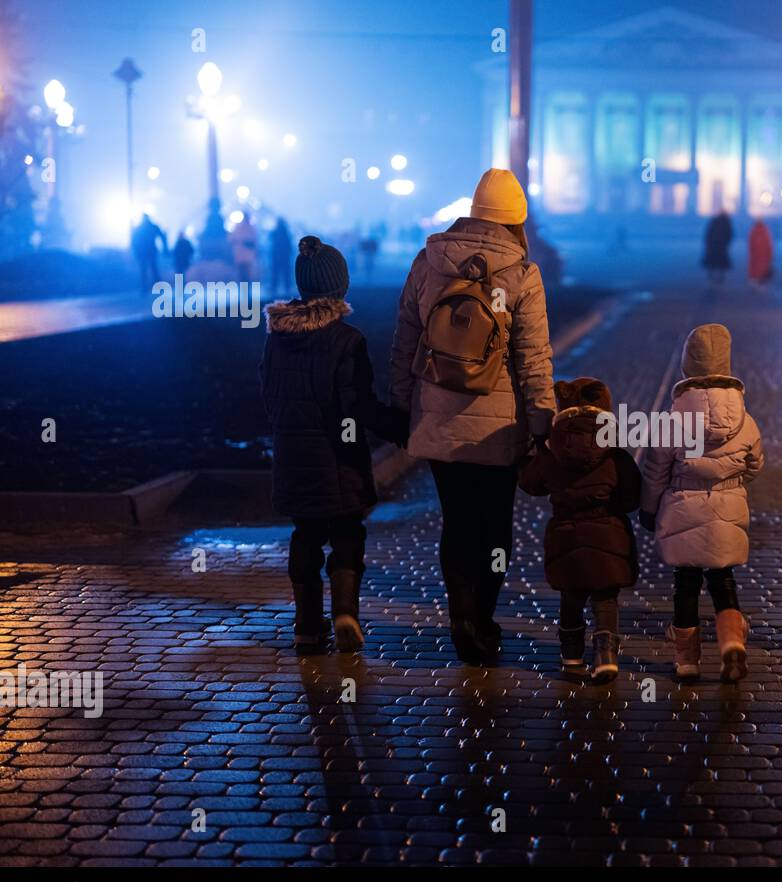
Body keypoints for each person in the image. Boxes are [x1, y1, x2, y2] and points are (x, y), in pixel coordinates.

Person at [389, 168, 556, 665]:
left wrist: (402, 406)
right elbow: (533, 359)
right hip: (499, 430)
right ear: (517, 220)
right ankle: (482, 617)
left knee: (456, 523)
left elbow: (403, 341)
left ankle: (461, 613)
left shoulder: (428, 262)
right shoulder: (522, 274)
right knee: (494, 529)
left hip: (437, 422)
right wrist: (543, 425)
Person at [260, 237, 407, 651]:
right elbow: (356, 403)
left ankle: (307, 626)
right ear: (340, 286)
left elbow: (268, 393)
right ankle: (344, 613)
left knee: (305, 534)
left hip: (292, 456)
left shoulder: (276, 337)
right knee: (346, 531)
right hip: (338, 460)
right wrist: (399, 427)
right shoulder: (348, 339)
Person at [640, 324, 764, 682]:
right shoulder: (745, 422)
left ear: (686, 366)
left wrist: (648, 510)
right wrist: (731, 482)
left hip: (682, 508)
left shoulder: (672, 421)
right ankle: (730, 645)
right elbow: (755, 465)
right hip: (727, 506)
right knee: (723, 580)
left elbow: (655, 471)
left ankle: (687, 660)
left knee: (686, 585)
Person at [518, 377, 641, 682]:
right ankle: (606, 654)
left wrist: (537, 449)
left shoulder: (552, 455)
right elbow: (632, 496)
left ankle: (572, 656)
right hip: (608, 535)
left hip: (566, 537)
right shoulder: (615, 457)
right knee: (605, 599)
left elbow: (529, 483)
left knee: (571, 598)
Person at [131, 214, 166, 291]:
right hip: (151, 251)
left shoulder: (139, 228)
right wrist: (165, 249)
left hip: (143, 252)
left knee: (144, 269)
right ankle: (158, 287)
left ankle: (144, 287)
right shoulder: (152, 226)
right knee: (153, 268)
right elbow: (162, 237)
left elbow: (134, 241)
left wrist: (135, 252)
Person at [701, 210, 732, 284]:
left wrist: (708, 243)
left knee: (713, 260)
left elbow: (708, 233)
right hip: (721, 245)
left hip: (714, 245)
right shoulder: (726, 222)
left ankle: (712, 275)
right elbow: (729, 234)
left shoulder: (715, 221)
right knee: (720, 261)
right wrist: (726, 243)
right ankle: (720, 276)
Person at [231, 216, 259, 282]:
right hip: (245, 255)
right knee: (245, 273)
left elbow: (231, 239)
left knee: (243, 273)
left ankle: (244, 288)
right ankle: (245, 288)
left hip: (241, 255)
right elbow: (255, 241)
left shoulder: (239, 227)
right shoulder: (250, 228)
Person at [747, 218, 774, 287]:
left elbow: (751, 243)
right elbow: (769, 244)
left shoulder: (754, 231)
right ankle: (759, 282)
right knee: (762, 269)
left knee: (757, 269)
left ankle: (756, 282)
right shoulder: (765, 231)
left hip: (757, 255)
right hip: (762, 255)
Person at [269, 218, 292, 295]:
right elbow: (289, 245)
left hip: (276, 256)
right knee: (285, 273)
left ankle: (274, 287)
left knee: (276, 272)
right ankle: (287, 288)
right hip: (284, 256)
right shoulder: (286, 232)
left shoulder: (275, 232)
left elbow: (271, 238)